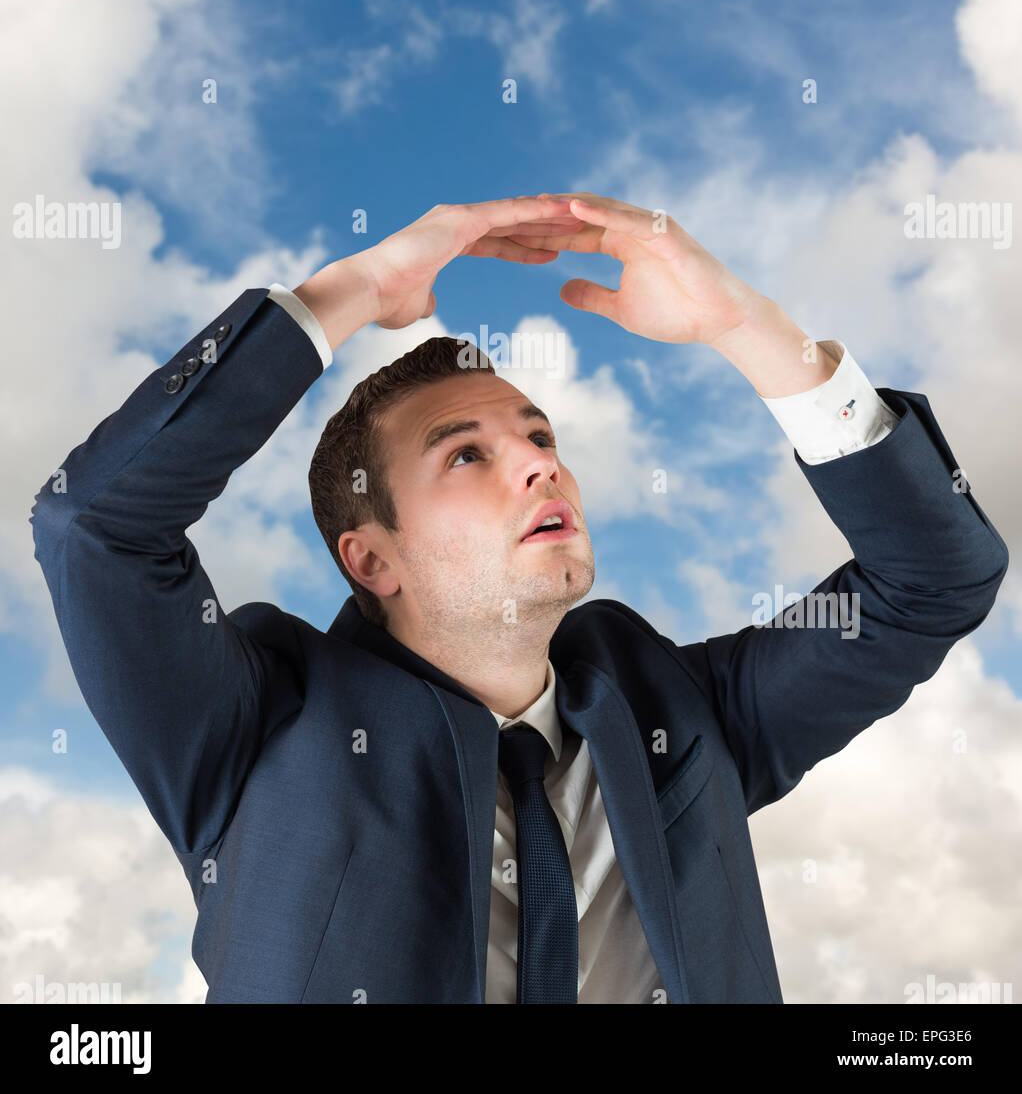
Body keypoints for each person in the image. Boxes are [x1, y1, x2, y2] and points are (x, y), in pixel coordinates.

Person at [31, 192, 1009, 1003]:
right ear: (373, 558)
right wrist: (355, 291)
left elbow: (931, 580)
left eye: (541, 438)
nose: (540, 467)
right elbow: (94, 527)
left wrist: (745, 329)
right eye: (467, 453)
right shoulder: (252, 724)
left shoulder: (682, 711)